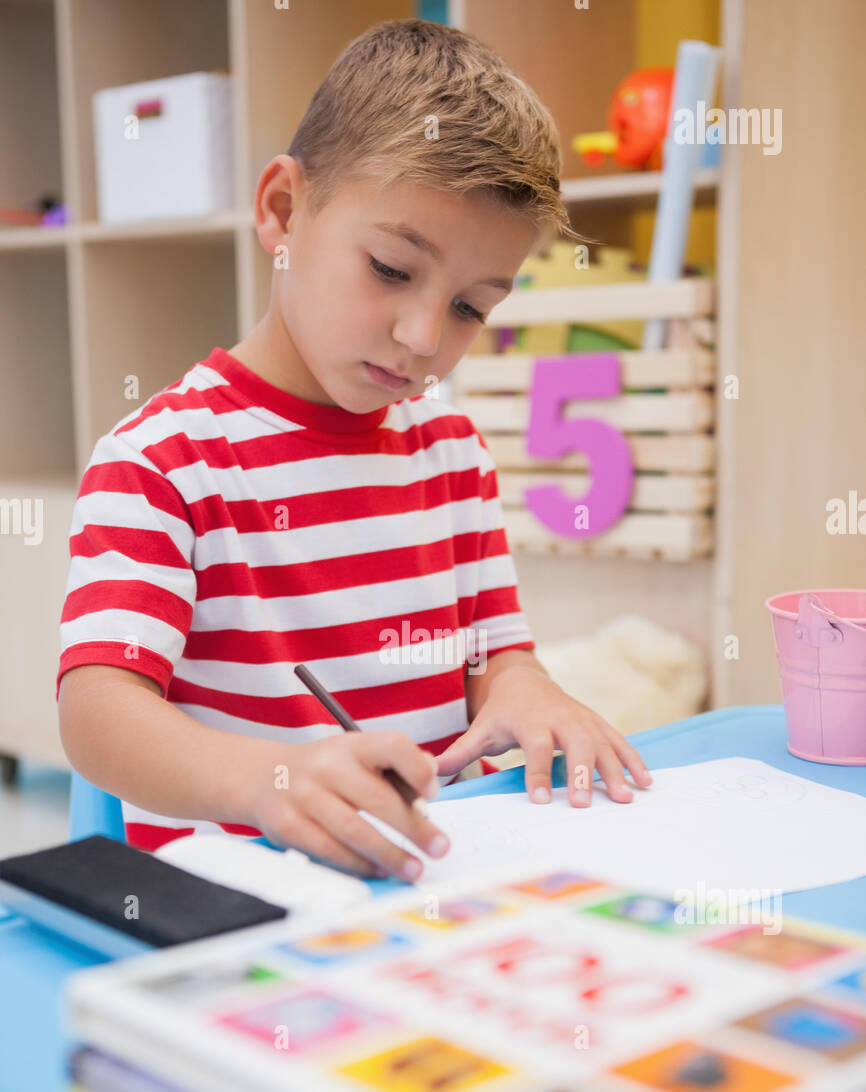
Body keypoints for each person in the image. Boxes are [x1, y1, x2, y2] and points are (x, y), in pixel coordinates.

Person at [57, 18, 651, 884]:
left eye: (470, 308)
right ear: (284, 212)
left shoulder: (452, 452)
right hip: (242, 904)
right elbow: (97, 714)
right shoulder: (160, 463)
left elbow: (494, 655)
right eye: (391, 268)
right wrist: (267, 781)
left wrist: (526, 689)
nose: (422, 337)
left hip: (428, 889)